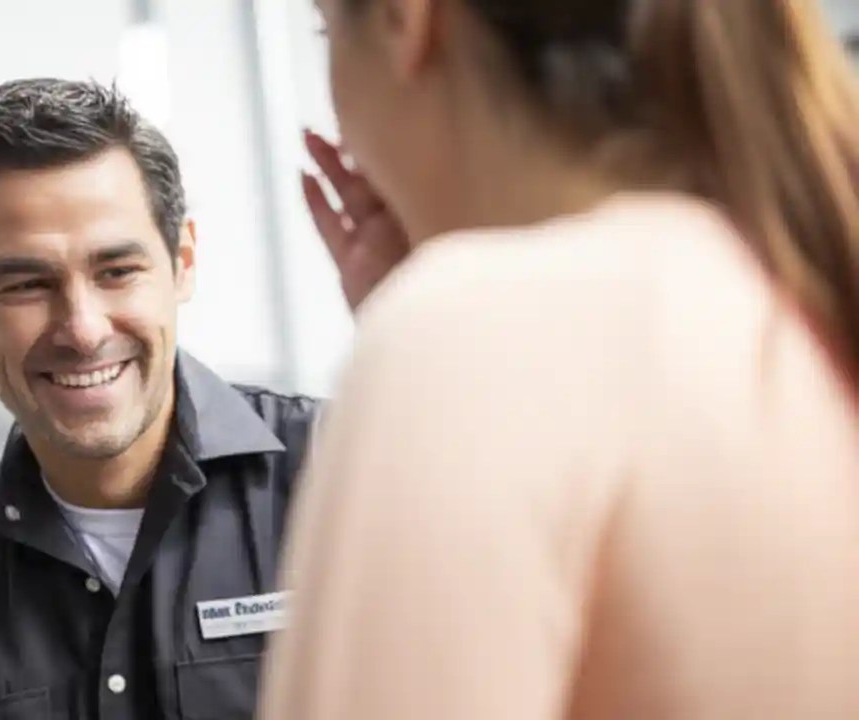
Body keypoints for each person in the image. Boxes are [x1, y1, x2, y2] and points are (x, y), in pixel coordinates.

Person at [261, 0, 859, 718]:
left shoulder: (468, 335)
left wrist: (449, 346)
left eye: (329, 30)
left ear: (403, 19)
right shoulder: (799, 283)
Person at [0, 78, 328, 719]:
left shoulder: (342, 474)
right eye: (27, 283)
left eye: (116, 272)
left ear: (182, 260)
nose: (82, 329)